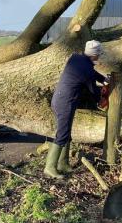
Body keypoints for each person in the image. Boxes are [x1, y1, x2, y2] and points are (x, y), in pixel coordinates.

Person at [44, 40, 108, 179]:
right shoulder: (86, 69)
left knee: (65, 133)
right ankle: (50, 167)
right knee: (62, 135)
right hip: (65, 103)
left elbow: (91, 72)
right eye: (99, 55)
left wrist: (103, 79)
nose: (99, 57)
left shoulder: (77, 58)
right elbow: (93, 91)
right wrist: (103, 97)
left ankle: (63, 163)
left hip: (59, 100)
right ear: (95, 55)